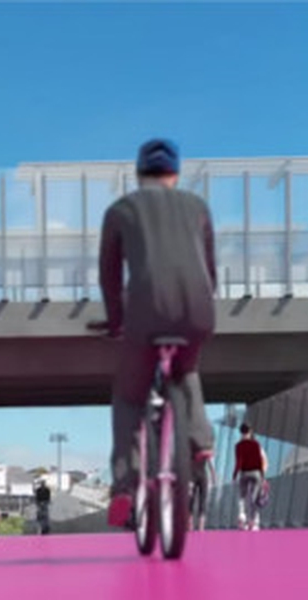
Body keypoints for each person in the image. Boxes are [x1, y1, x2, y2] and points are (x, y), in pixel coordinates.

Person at [92, 138, 217, 527]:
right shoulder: (198, 207)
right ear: (175, 173)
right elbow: (210, 269)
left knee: (130, 396)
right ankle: (200, 444)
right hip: (198, 309)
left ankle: (127, 486)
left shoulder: (121, 210)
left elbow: (110, 275)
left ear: (138, 172)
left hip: (145, 311)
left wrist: (116, 321)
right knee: (187, 369)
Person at [234, 422, 269, 530]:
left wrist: (235, 475)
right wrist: (263, 476)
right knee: (254, 497)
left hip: (244, 473)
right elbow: (265, 461)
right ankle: (253, 521)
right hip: (256, 473)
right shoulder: (257, 445)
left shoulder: (239, 445)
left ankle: (242, 515)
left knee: (242, 495)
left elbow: (238, 462)